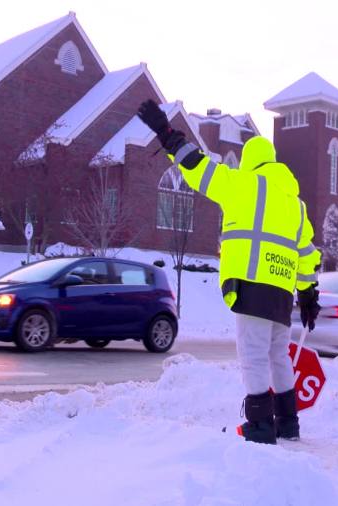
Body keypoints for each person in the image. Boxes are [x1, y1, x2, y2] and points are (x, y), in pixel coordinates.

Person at [137, 99, 321, 444]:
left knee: (252, 356)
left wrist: (166, 133)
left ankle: (260, 426)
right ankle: (288, 422)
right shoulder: (296, 205)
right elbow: (307, 254)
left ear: (250, 162)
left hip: (251, 286)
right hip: (282, 293)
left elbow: (197, 167)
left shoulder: (242, 185)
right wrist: (309, 294)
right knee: (278, 356)